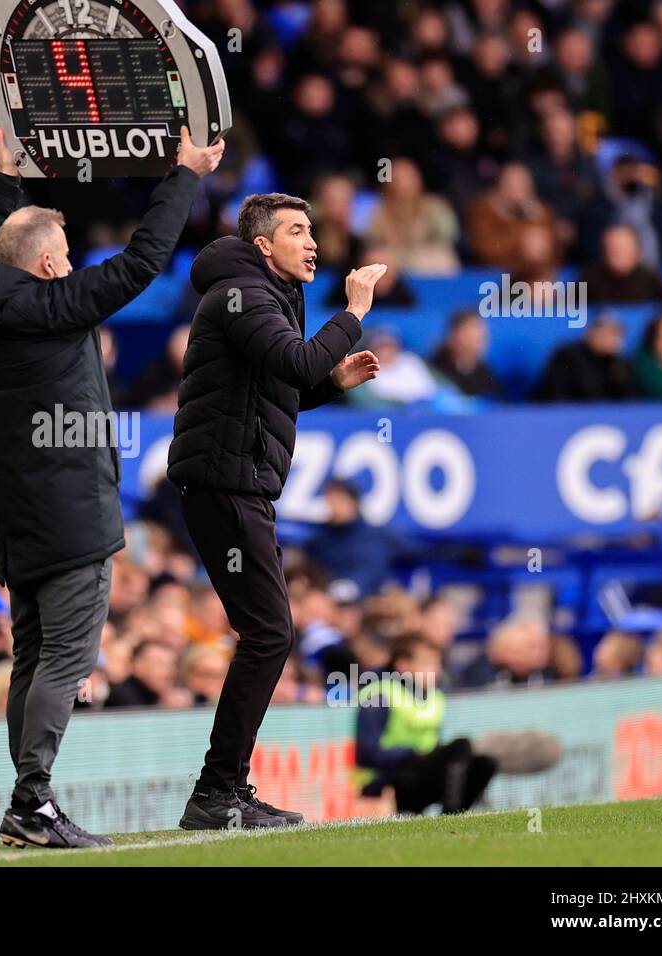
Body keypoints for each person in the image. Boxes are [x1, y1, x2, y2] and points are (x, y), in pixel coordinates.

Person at [0, 126, 224, 849]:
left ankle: (27, 804)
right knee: (63, 660)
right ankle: (32, 802)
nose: (71, 268)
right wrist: (185, 176)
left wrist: (3, 180)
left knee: (34, 658)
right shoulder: (54, 306)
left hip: (13, 520)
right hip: (71, 515)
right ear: (42, 264)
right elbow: (143, 263)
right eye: (62, 258)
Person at [167, 191, 382, 829]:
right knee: (269, 633)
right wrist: (354, 312)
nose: (312, 242)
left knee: (267, 633)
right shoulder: (243, 293)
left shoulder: (263, 292)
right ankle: (216, 791)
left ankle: (224, 789)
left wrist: (330, 385)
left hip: (238, 483)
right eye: (297, 231)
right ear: (264, 246)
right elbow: (295, 359)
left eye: (313, 230)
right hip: (224, 484)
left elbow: (275, 385)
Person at [355, 634, 497, 814]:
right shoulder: (379, 695)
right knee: (461, 745)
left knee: (485, 764)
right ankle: (450, 814)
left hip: (421, 772)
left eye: (437, 664)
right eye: (427, 664)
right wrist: (412, 752)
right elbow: (367, 753)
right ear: (403, 666)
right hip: (388, 777)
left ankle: (455, 815)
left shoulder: (435, 697)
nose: (435, 671)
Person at [534, 313, 639, 401]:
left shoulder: (620, 363)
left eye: (614, 334)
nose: (606, 338)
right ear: (590, 332)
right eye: (602, 332)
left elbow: (630, 399)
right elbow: (557, 394)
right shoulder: (567, 356)